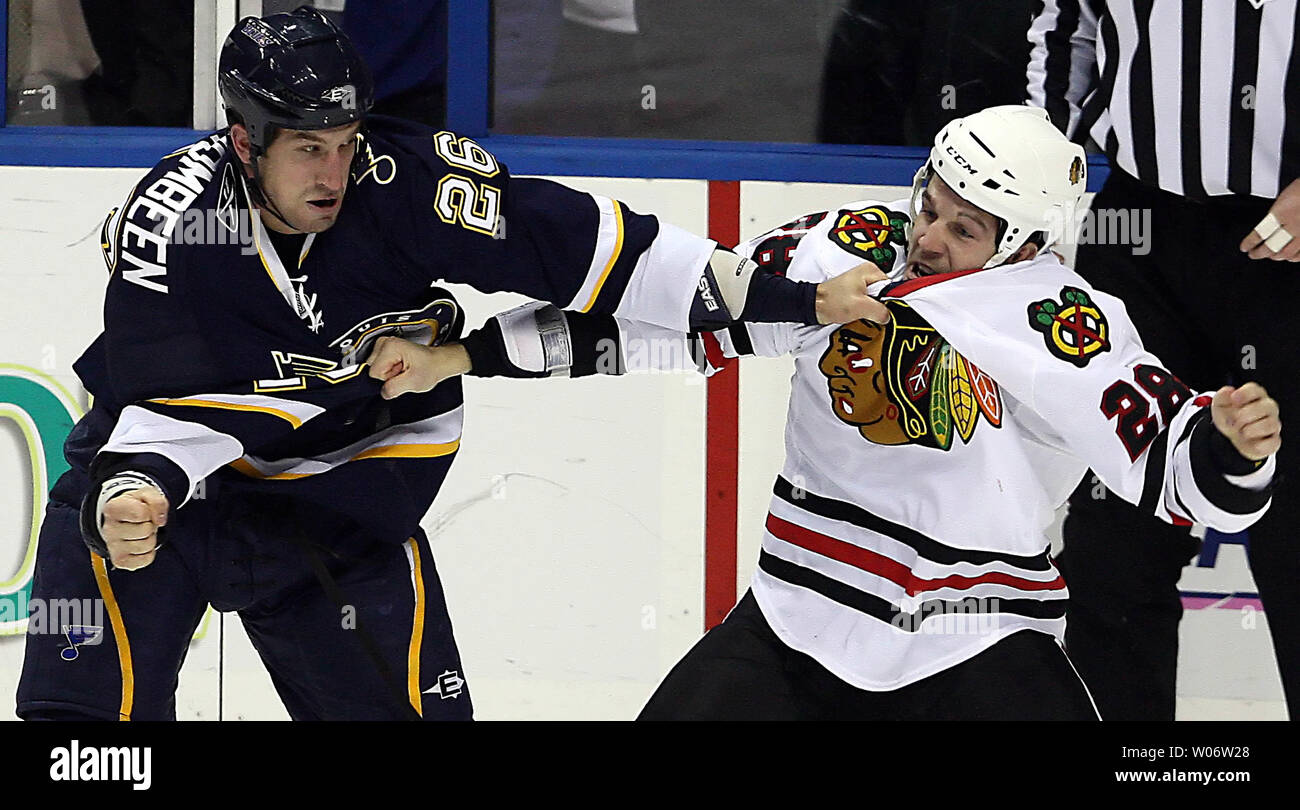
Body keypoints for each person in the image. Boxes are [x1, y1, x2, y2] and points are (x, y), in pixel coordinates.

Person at [14, 6, 880, 722]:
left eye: (346, 141)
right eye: (308, 148)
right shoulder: (172, 224)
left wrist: (795, 302)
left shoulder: (407, 184)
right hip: (176, 492)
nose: (335, 171)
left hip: (341, 495)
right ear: (245, 144)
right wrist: (135, 489)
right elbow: (164, 404)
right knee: (85, 752)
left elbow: (602, 255)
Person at [366, 105, 1282, 719]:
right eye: (934, 202)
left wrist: (1233, 449)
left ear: (1029, 244)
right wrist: (471, 352)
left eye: (966, 229)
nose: (928, 236)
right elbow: (686, 323)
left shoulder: (1062, 322)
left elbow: (1169, 465)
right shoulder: (849, 247)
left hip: (974, 645)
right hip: (801, 618)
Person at [1028, 0, 1300, 720]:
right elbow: (1065, 24)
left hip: (1292, 235)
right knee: (1114, 544)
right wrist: (1033, 186)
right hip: (1142, 231)